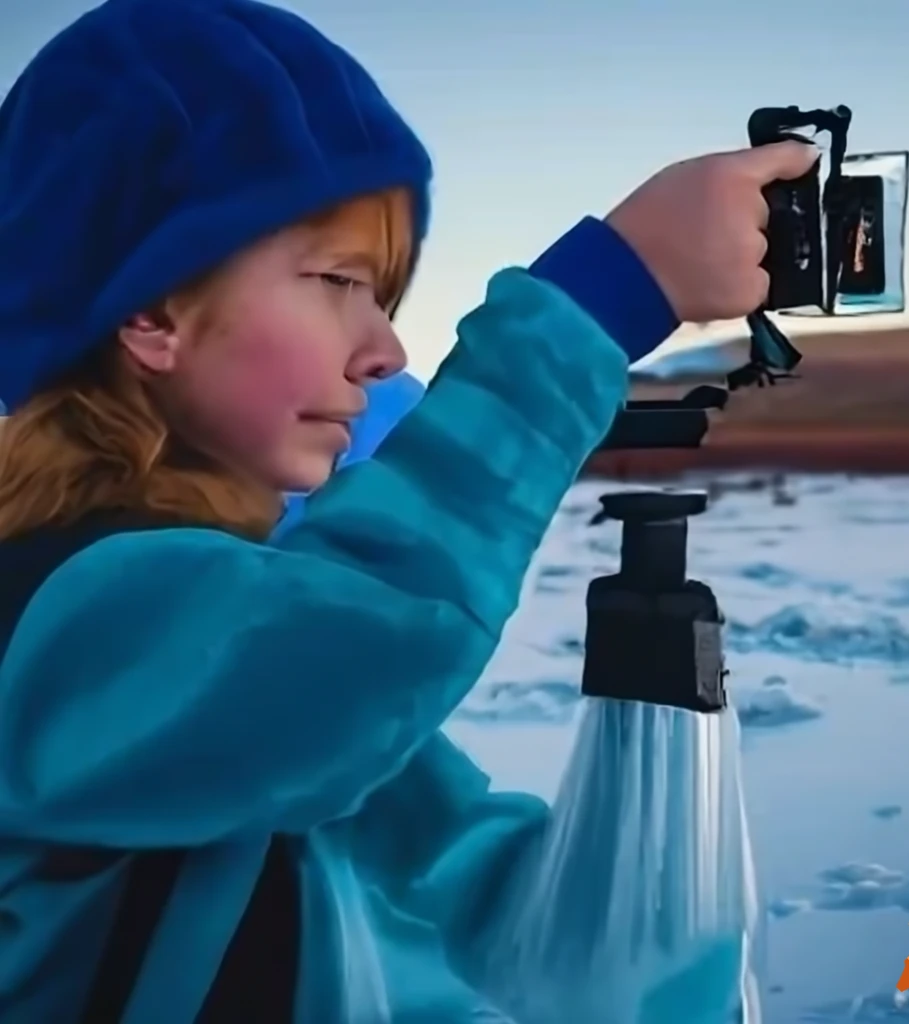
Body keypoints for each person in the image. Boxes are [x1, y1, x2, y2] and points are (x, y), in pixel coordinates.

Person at [0, 1, 817, 1022]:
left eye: (382, 295)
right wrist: (608, 293)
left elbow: (492, 908)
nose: (384, 350)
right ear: (151, 309)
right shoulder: (54, 623)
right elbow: (354, 642)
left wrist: (655, 724)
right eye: (340, 280)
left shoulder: (252, 665)